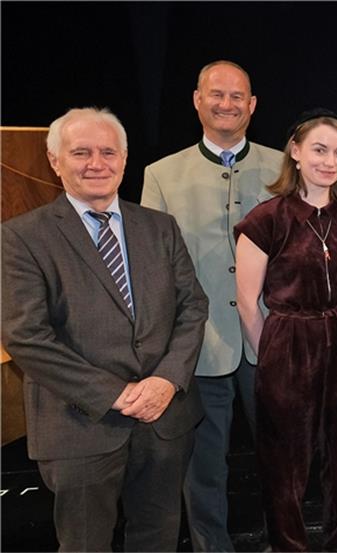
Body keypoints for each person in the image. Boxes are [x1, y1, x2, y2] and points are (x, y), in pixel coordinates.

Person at [1, 107, 209, 551]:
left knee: (157, 539)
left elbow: (193, 307)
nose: (97, 163)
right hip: (79, 425)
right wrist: (113, 394)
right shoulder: (21, 238)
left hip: (163, 421)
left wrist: (166, 381)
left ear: (125, 159)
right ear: (55, 160)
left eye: (108, 152)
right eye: (81, 152)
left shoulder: (160, 227)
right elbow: (26, 336)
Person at [141, 59, 279, 552]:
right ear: (197, 100)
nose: (226, 104)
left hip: (272, 340)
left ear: (252, 105)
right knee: (202, 468)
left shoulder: (285, 167)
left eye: (237, 96)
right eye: (216, 94)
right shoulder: (161, 175)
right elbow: (154, 269)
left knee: (284, 459)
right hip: (199, 347)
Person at [234, 109, 337, 552]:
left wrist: (336, 329)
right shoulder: (266, 219)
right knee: (285, 461)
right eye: (319, 150)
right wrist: (273, 354)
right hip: (288, 343)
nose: (329, 161)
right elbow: (247, 301)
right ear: (295, 152)